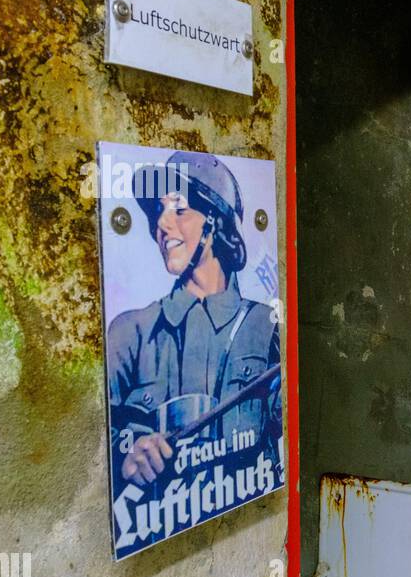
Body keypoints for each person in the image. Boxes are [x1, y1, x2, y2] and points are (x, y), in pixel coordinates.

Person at [106, 150, 281, 499]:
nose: (162, 224)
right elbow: (97, 441)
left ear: (214, 221)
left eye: (179, 209)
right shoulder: (130, 334)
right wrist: (126, 455)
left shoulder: (267, 328)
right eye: (159, 211)